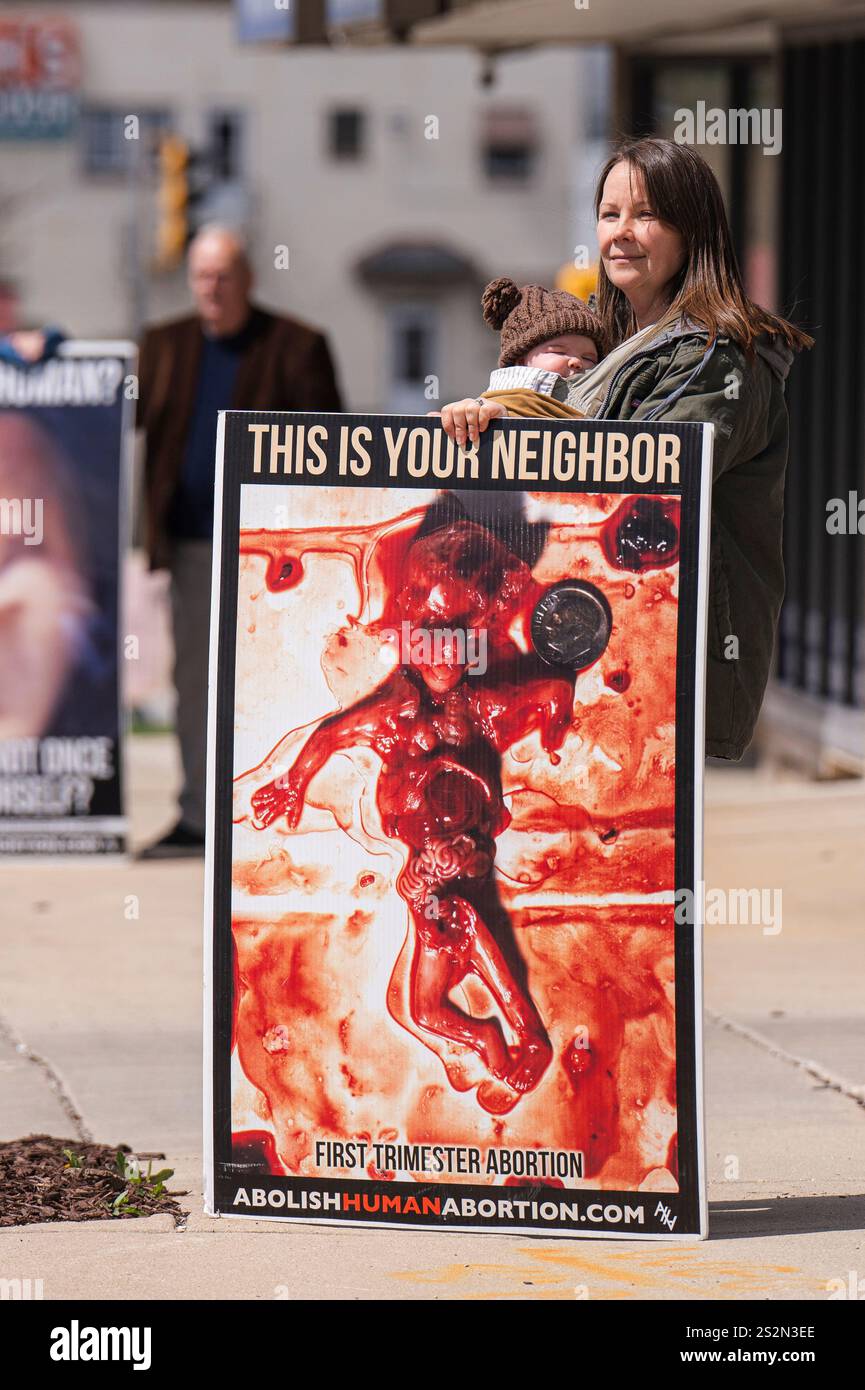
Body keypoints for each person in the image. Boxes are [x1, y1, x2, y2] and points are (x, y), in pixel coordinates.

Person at [436, 137, 814, 762]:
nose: (621, 234)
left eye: (645, 215)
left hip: (661, 663)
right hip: (592, 649)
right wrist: (489, 421)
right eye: (609, 215)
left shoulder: (716, 359)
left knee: (645, 856)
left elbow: (630, 480)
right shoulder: (614, 351)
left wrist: (520, 419)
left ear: (693, 230)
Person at [137, 225, 344, 857]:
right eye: (201, 275)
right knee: (194, 679)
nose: (212, 287)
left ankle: (266, 820)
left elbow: (330, 443)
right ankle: (198, 816)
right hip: (193, 545)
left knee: (279, 681)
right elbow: (119, 411)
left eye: (224, 275)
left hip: (273, 556)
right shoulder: (163, 344)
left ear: (248, 279)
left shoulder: (296, 346)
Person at [476, 276, 602, 418]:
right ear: (521, 361)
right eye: (559, 351)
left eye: (588, 358)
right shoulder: (493, 408)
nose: (576, 361)